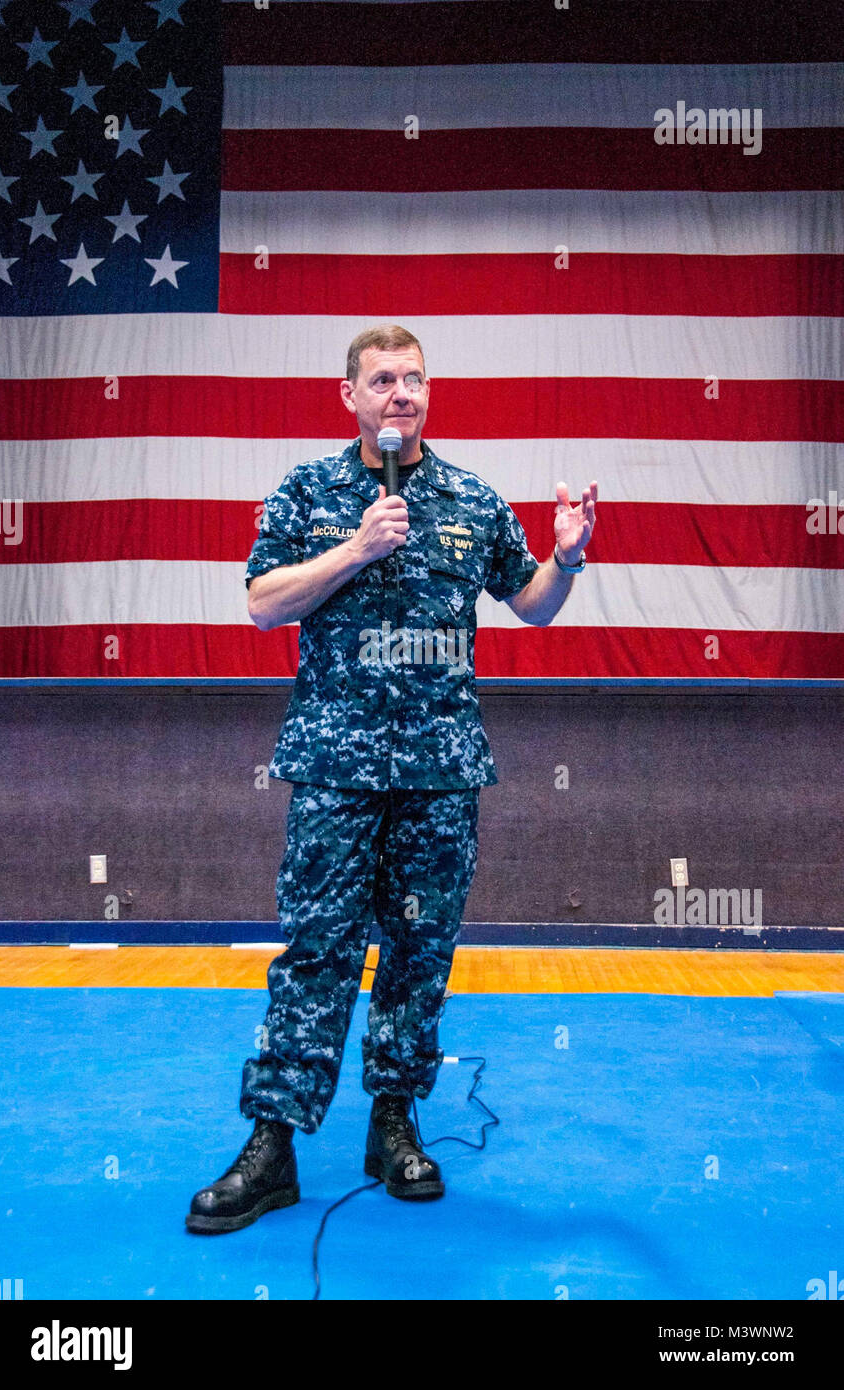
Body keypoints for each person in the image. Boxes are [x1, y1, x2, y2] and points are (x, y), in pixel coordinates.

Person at [186, 324, 597, 1233]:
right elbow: (260, 605)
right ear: (350, 397)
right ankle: (272, 1145)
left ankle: (394, 1123)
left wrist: (565, 560)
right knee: (316, 955)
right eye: (382, 380)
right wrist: (356, 551)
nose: (401, 394)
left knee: (419, 959)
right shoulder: (309, 493)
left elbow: (528, 604)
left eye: (413, 379)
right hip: (336, 768)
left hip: (439, 773)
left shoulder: (470, 498)